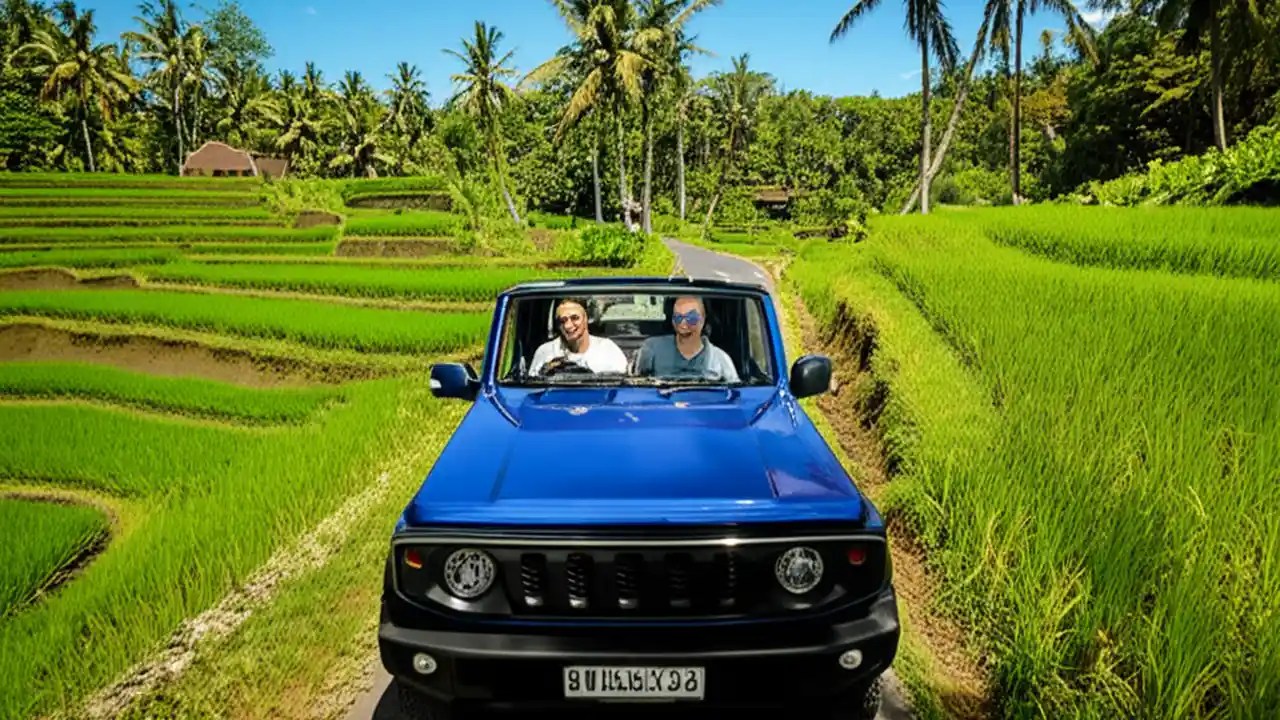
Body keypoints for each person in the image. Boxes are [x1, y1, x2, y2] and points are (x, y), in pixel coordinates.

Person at [633, 295, 740, 382]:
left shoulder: (720, 359)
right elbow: (636, 386)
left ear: (703, 320)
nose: (683, 324)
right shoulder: (652, 349)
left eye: (691, 318)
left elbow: (737, 395)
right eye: (678, 318)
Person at [529, 297, 628, 376]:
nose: (568, 326)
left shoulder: (608, 349)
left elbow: (623, 386)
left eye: (575, 318)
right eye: (563, 321)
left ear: (586, 319)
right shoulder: (545, 352)